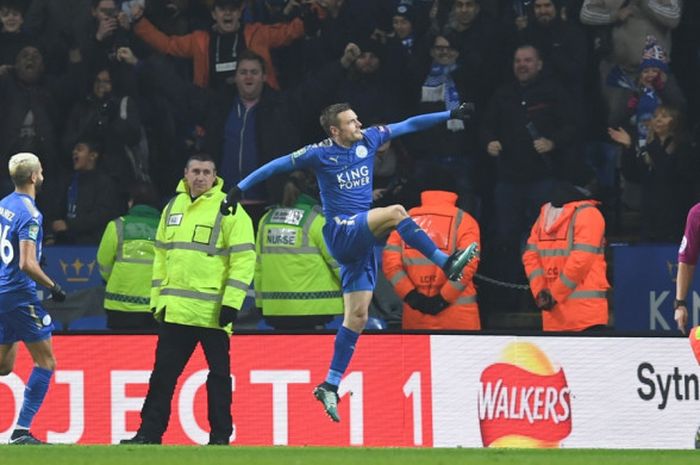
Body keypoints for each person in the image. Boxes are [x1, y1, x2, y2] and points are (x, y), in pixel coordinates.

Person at [220, 102, 479, 422]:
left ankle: (330, 383)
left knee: (357, 316)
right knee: (398, 211)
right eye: (351, 122)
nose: (359, 125)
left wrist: (449, 114)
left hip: (361, 241)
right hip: (342, 231)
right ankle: (446, 262)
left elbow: (409, 123)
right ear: (335, 131)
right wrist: (238, 189)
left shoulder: (369, 139)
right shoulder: (318, 153)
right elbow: (276, 165)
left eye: (358, 119)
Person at [120, 153, 254, 445]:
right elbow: (161, 256)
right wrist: (157, 300)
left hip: (213, 312)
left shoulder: (229, 209)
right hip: (176, 311)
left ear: (216, 175)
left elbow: (244, 260)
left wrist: (232, 303)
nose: (201, 177)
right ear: (185, 174)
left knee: (218, 379)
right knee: (162, 379)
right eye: (196, 171)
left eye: (207, 172)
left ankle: (220, 437)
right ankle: (148, 434)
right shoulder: (172, 207)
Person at [0, 152, 67, 445]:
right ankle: (21, 431)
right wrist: (54, 287)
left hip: (2, 290)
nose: (43, 175)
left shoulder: (4, 205)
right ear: (33, 177)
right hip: (17, 294)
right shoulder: (30, 214)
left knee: (4, 366)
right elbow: (27, 263)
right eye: (40, 171)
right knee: (46, 361)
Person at [383, 171, 481, 330]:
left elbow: (391, 264)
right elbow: (466, 265)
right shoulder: (464, 220)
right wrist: (442, 300)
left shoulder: (406, 220)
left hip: (416, 317)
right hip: (458, 318)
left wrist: (412, 297)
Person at [255, 170, 343, 330]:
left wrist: (261, 304)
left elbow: (259, 268)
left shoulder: (266, 220)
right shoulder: (316, 221)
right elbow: (339, 264)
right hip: (314, 308)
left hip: (275, 309)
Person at [522, 180, 610, 331]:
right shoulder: (589, 214)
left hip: (553, 315)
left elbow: (530, 257)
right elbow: (580, 261)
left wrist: (541, 293)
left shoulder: (543, 218)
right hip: (586, 315)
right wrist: (555, 294)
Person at [97, 181, 161, 330]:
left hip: (119, 305)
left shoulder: (117, 225)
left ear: (131, 202)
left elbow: (103, 261)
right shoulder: (165, 228)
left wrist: (111, 279)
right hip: (154, 305)